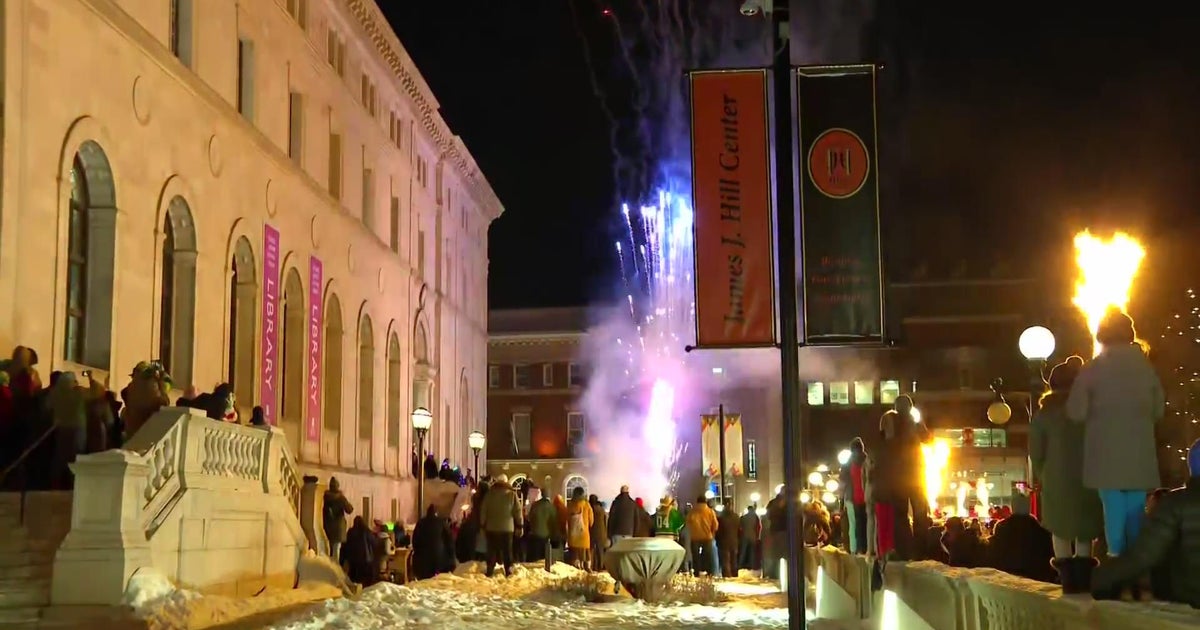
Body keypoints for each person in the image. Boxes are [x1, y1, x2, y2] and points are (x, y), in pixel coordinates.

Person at [1067, 309, 1164, 559]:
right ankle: (1135, 565)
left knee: (1113, 511)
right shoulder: (1146, 369)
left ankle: (1115, 562)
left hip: (1105, 455)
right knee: (1135, 513)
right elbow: (1158, 410)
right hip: (1138, 455)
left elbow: (1076, 412)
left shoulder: (1093, 369)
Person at [1093, 438, 1200, 605]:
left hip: (1188, 597)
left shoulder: (1176, 504)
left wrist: (1096, 581)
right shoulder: (1177, 504)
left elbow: (1142, 557)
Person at [1029, 355, 1105, 592]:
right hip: (1090, 480)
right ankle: (1084, 579)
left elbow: (1036, 452)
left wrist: (1044, 475)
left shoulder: (1044, 415)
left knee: (1060, 530)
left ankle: (1066, 580)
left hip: (1056, 482)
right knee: (1085, 531)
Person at [873, 395, 931, 560]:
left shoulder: (889, 421)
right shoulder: (914, 423)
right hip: (916, 475)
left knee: (900, 515)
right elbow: (928, 439)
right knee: (920, 513)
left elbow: (883, 444)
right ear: (910, 407)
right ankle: (921, 551)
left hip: (897, 477)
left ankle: (904, 550)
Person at [479, 473, 523, 577]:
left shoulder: (489, 494)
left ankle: (490, 570)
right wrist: (520, 525)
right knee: (507, 551)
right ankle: (508, 570)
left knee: (492, 550)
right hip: (507, 528)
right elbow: (517, 511)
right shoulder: (512, 495)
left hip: (491, 528)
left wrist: (482, 525)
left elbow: (483, 510)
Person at [840, 438, 870, 554]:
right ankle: (867, 547)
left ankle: (854, 549)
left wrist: (841, 502)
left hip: (851, 497)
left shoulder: (847, 463)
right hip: (867, 496)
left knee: (853, 525)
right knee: (867, 523)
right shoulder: (867, 459)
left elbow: (842, 484)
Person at [412, 505, 455, 580]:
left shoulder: (421, 523)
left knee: (424, 578)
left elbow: (415, 541)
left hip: (423, 559)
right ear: (436, 513)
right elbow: (449, 540)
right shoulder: (442, 522)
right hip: (439, 558)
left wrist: (418, 552)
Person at [685, 494, 720, 577]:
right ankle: (710, 572)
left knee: (696, 557)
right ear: (705, 501)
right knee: (709, 556)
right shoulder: (710, 511)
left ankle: (696, 572)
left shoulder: (692, 512)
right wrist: (711, 533)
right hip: (707, 537)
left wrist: (693, 532)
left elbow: (687, 523)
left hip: (695, 538)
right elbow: (715, 525)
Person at [322, 476, 354, 562]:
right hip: (338, 527)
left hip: (328, 526)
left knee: (331, 548)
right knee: (337, 549)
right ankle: (334, 566)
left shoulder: (326, 498)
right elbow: (349, 510)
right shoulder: (340, 498)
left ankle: (331, 563)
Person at [566, 486, 595, 569]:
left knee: (574, 554)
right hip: (584, 535)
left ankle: (577, 566)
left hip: (573, 535)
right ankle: (586, 567)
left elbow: (567, 519)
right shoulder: (587, 505)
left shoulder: (570, 505)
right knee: (585, 553)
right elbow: (591, 521)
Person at [717, 499, 740, 577]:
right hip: (734, 541)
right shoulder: (736, 517)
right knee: (734, 560)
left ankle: (727, 576)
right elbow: (739, 529)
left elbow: (718, 531)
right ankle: (734, 574)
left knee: (725, 560)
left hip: (724, 542)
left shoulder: (721, 517)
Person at [589, 495, 609, 572]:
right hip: (601, 532)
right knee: (600, 551)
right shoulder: (601, 510)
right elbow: (605, 521)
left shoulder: (590, 509)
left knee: (592, 550)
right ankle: (600, 566)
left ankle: (592, 566)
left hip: (592, 532)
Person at [738, 504, 761, 571]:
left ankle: (740, 564)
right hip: (753, 536)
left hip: (745, 536)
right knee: (752, 552)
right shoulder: (756, 517)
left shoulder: (744, 517)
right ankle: (751, 565)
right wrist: (757, 536)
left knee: (743, 551)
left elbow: (740, 527)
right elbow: (758, 527)